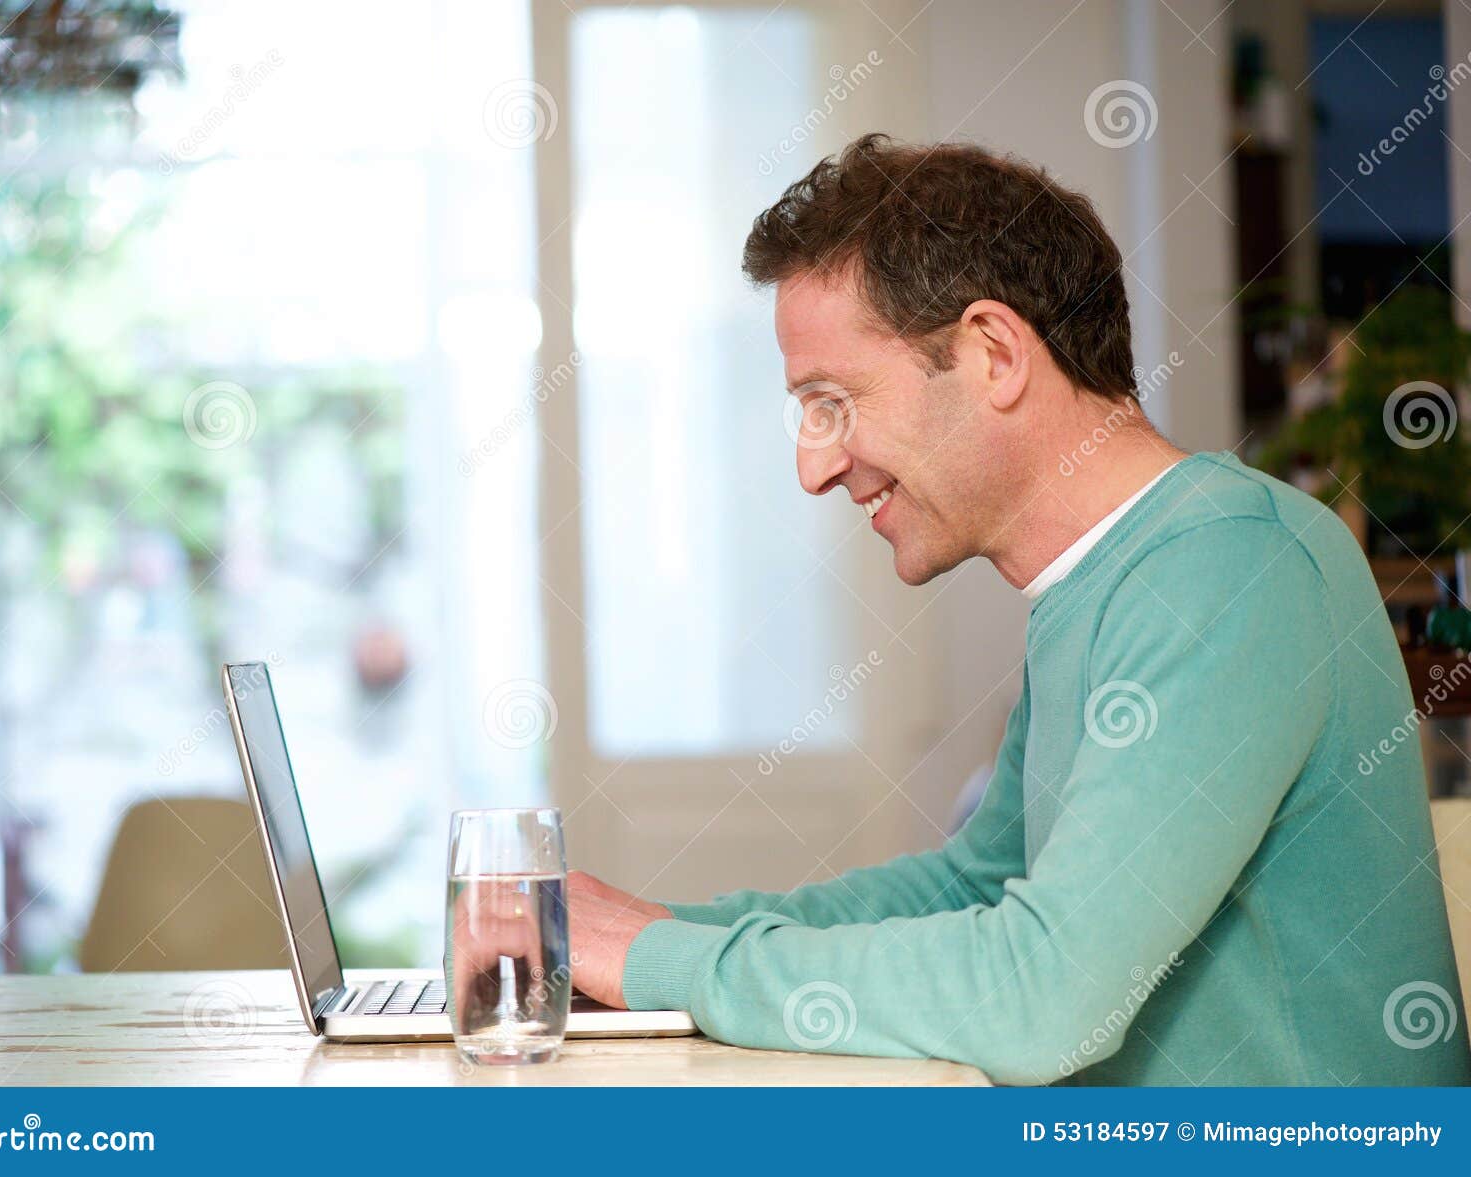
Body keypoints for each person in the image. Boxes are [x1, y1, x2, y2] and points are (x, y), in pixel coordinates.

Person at [564, 134, 1471, 1086]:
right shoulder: (1101, 583)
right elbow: (979, 884)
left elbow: (1047, 995)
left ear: (995, 354)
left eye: (833, 401)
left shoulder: (1231, 565)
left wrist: (654, 960)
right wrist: (655, 934)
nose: (814, 464)